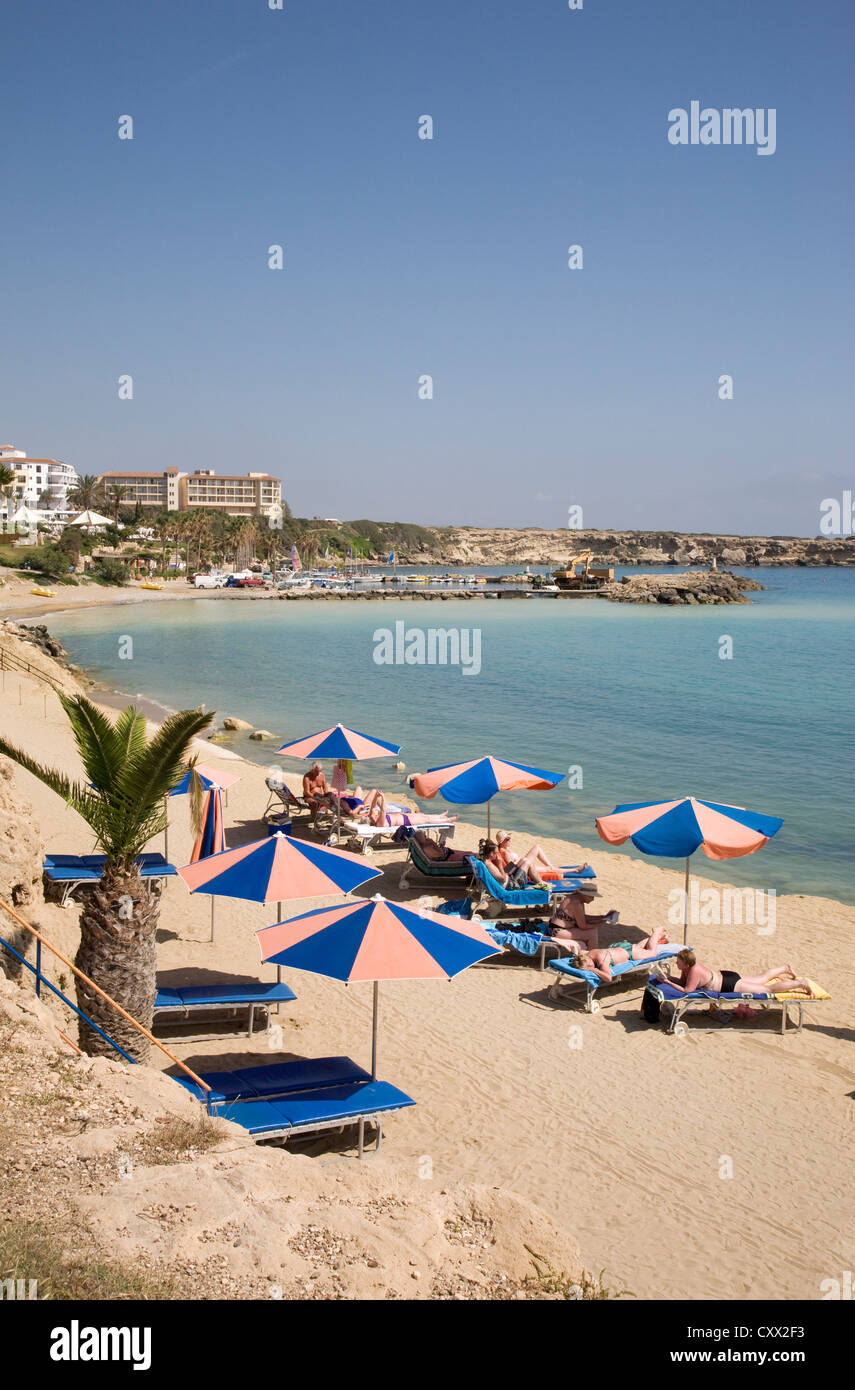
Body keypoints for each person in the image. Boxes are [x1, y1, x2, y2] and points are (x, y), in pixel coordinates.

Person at [657, 950, 814, 996]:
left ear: (685, 962)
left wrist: (668, 982)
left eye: (678, 961)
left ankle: (801, 983)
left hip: (728, 984)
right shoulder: (689, 968)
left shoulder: (694, 971)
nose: (675, 963)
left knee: (767, 989)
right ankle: (785, 968)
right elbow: (684, 983)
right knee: (761, 978)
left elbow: (687, 990)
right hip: (726, 976)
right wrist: (668, 976)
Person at [567, 927, 672, 983]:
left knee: (652, 953)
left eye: (589, 965)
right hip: (619, 947)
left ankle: (656, 932)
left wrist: (593, 970)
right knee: (639, 948)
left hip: (629, 953)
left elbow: (608, 978)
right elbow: (578, 953)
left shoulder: (601, 960)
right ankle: (659, 937)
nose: (591, 967)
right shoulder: (586, 954)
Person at [548, 890, 619, 951]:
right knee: (592, 933)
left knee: (592, 931)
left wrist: (602, 917)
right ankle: (592, 958)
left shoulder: (574, 898)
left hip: (554, 928)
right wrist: (600, 923)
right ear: (585, 894)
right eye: (592, 896)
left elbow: (581, 917)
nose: (593, 899)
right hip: (558, 931)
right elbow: (583, 926)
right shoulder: (577, 904)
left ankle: (590, 955)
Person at [494, 830, 562, 884]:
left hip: (522, 865)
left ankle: (553, 867)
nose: (510, 840)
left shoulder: (504, 850)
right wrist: (521, 861)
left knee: (547, 866)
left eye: (509, 838)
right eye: (507, 839)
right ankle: (572, 870)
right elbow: (511, 869)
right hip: (522, 869)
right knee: (548, 869)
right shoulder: (504, 852)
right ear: (502, 841)